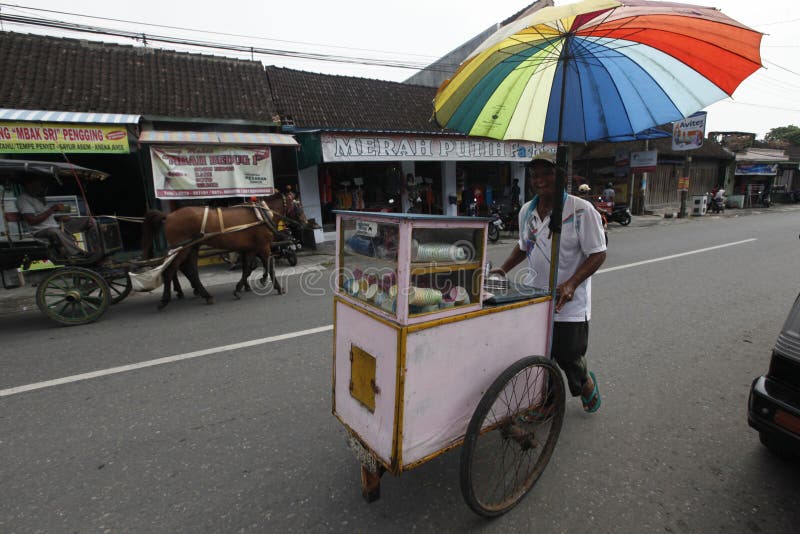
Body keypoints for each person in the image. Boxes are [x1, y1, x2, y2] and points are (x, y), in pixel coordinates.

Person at [493, 152, 607, 413]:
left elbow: (598, 253)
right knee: (542, 353)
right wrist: (503, 268)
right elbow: (524, 246)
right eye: (535, 175)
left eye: (547, 173)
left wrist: (571, 283)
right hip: (537, 297)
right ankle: (548, 402)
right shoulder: (527, 211)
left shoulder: (581, 210)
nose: (540, 180)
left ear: (560, 176)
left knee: (569, 357)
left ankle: (585, 383)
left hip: (571, 302)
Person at [16, 175, 93, 258]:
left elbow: (44, 217)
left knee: (88, 220)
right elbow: (31, 220)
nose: (42, 187)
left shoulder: (38, 198)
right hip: (41, 231)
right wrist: (52, 209)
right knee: (54, 231)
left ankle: (96, 248)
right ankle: (78, 254)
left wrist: (58, 218)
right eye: (40, 184)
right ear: (29, 184)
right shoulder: (23, 199)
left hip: (57, 226)